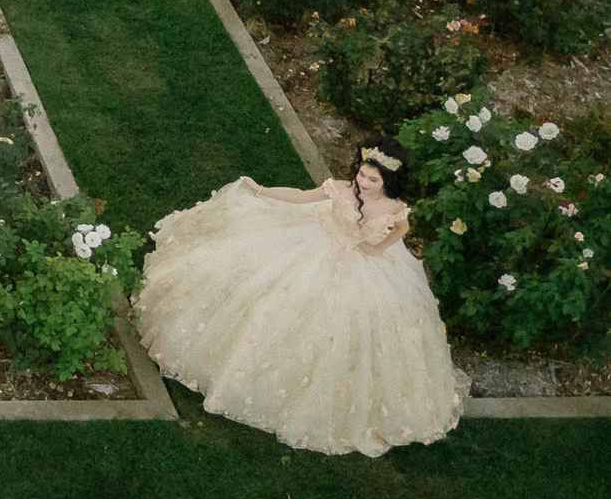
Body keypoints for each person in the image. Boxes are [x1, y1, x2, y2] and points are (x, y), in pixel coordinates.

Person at [134, 139, 461, 456]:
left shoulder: (394, 207)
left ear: (389, 179)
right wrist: (261, 191)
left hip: (360, 266)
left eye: (372, 179)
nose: (363, 182)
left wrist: (376, 249)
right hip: (314, 244)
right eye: (362, 174)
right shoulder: (342, 189)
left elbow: (401, 230)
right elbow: (302, 197)